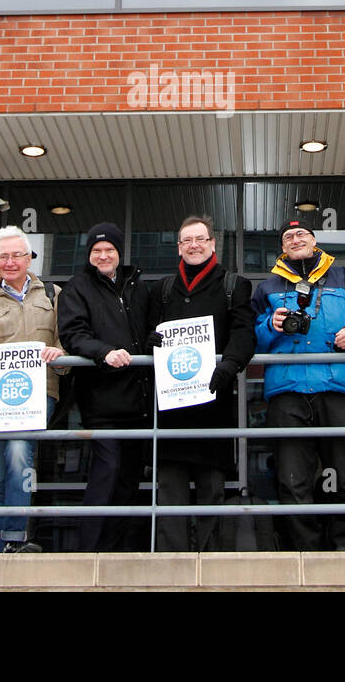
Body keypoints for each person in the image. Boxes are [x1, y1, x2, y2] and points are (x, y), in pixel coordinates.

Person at [251, 216, 345, 551]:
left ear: (314, 239)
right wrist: (272, 324)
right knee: (291, 478)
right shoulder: (268, 286)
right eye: (288, 237)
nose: (295, 240)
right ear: (282, 247)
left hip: (334, 389)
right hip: (287, 393)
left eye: (301, 234)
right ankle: (303, 552)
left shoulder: (343, 277)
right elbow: (250, 335)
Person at [146, 215, 255, 551]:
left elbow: (243, 332)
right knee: (170, 492)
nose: (193, 246)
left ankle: (210, 564)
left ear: (212, 244)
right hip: (171, 408)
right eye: (186, 240)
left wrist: (231, 364)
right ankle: (171, 565)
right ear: (179, 247)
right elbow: (145, 334)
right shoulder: (161, 289)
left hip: (213, 402)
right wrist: (151, 340)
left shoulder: (233, 285)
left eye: (200, 239)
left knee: (212, 491)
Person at [0, 226, 65, 553]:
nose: (10, 262)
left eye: (17, 255)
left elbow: (65, 341)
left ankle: (14, 538)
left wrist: (60, 355)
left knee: (20, 453)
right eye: (3, 256)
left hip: (38, 395)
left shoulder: (53, 294)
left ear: (29, 257)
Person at [56, 222, 152, 552]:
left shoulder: (138, 286)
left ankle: (111, 553)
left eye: (109, 249)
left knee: (128, 480)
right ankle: (88, 552)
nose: (103, 255)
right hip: (102, 401)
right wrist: (104, 352)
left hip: (139, 402)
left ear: (119, 252)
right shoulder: (77, 288)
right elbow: (73, 334)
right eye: (96, 251)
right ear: (89, 255)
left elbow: (150, 330)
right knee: (106, 472)